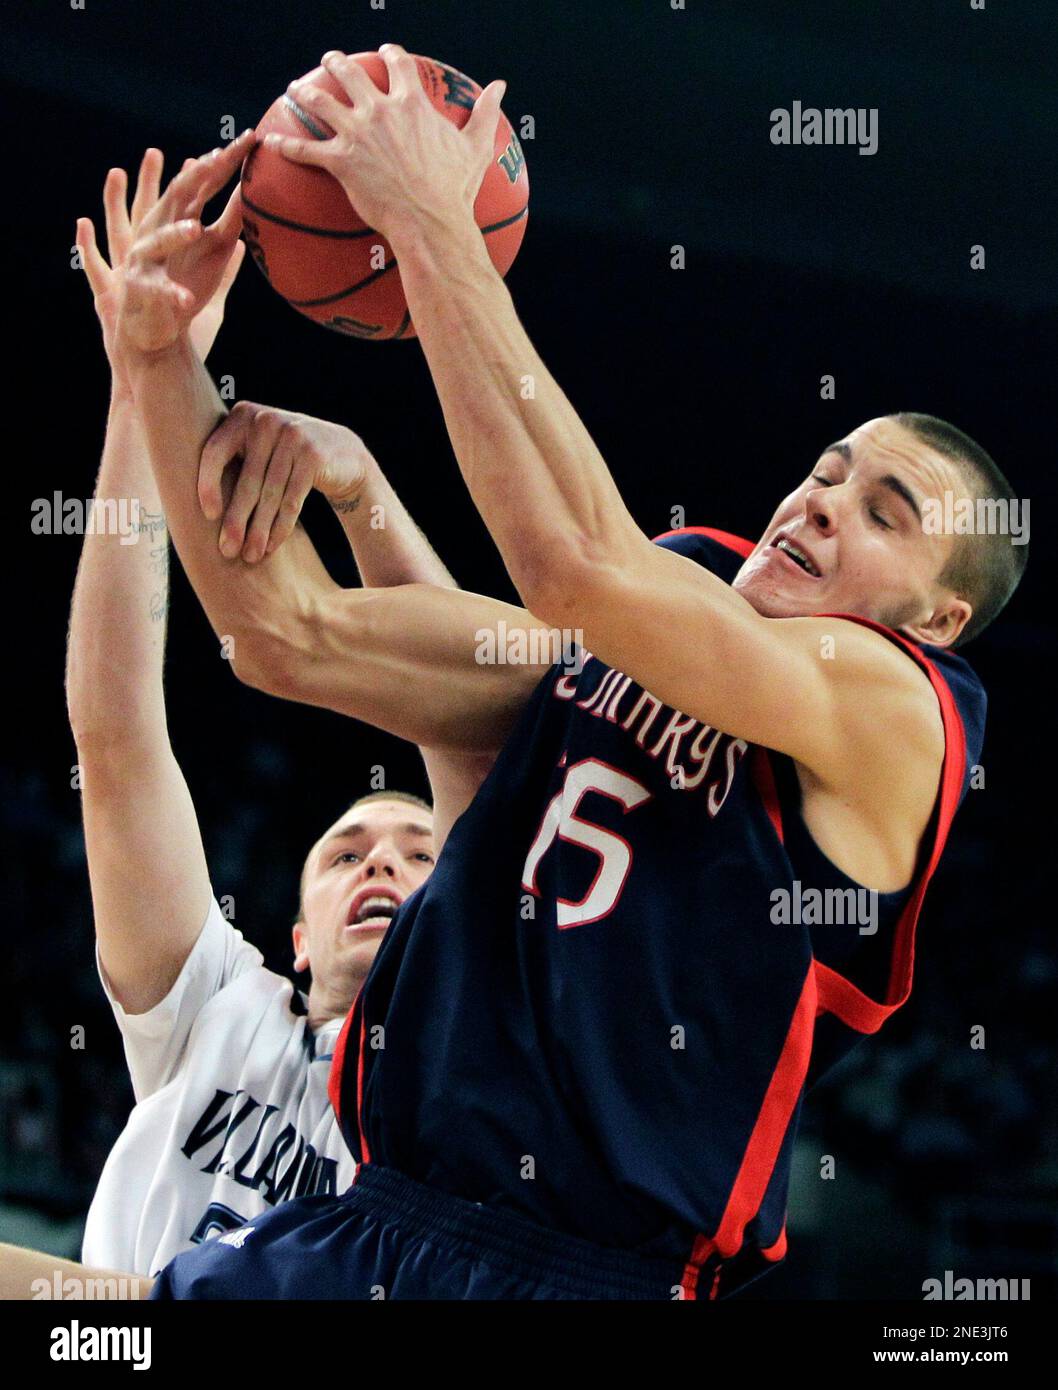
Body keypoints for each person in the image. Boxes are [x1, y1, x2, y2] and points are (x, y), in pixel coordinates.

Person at [113, 46, 1023, 1300]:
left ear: (940, 610)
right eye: (825, 467)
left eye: (884, 509)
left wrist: (429, 223)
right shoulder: (633, 630)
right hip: (362, 1226)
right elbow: (283, 635)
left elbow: (573, 561)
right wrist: (159, 361)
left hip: (580, 1276)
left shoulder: (895, 711)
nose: (821, 501)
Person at [66, 151, 445, 1278]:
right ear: (293, 935)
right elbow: (119, 732)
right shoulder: (218, 1015)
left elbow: (475, 726)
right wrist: (147, 378)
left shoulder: (494, 1083)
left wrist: (366, 485)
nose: (378, 862)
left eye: (423, 849)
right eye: (344, 853)